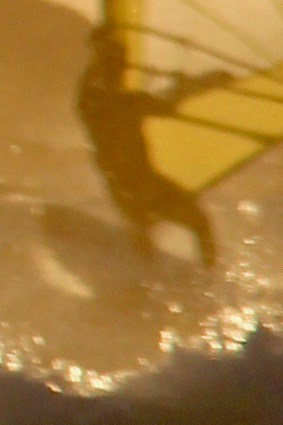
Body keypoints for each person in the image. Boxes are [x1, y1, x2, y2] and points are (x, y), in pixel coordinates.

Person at [74, 22, 214, 270]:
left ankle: (194, 277)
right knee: (191, 225)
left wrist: (101, 52)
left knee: (191, 224)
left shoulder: (105, 103)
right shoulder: (112, 104)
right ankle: (196, 276)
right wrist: (186, 85)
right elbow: (167, 105)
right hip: (137, 187)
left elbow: (167, 106)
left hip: (135, 187)